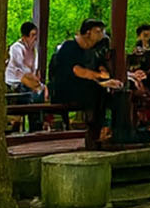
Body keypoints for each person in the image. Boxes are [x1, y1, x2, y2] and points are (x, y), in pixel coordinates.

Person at [49, 19, 128, 149]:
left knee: (117, 94)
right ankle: (95, 132)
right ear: (87, 33)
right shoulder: (69, 47)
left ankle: (112, 130)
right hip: (65, 90)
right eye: (97, 31)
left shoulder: (93, 51)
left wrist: (106, 79)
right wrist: (101, 78)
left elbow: (97, 69)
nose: (100, 34)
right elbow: (78, 71)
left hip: (87, 87)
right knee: (97, 92)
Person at [4, 21, 46, 105]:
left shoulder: (33, 50)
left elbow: (34, 70)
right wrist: (35, 85)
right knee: (35, 96)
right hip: (16, 84)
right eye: (32, 35)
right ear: (24, 37)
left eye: (36, 35)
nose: (35, 38)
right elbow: (21, 73)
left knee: (44, 92)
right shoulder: (16, 48)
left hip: (28, 83)